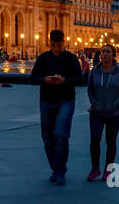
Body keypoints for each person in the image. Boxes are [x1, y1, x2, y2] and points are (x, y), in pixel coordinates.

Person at [30, 29, 83, 185]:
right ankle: (55, 168)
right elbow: (32, 79)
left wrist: (64, 80)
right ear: (50, 43)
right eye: (54, 45)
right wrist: (45, 79)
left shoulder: (71, 58)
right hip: (46, 100)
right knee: (47, 137)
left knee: (60, 135)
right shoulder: (43, 58)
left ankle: (60, 171)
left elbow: (79, 79)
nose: (57, 48)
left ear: (63, 42)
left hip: (66, 100)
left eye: (59, 45)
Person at [87, 43, 119, 182]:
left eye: (107, 52)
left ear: (113, 55)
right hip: (97, 112)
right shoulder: (95, 71)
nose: (104, 54)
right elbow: (90, 89)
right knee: (95, 140)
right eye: (102, 52)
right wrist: (93, 102)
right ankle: (95, 168)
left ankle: (108, 170)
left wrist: (116, 104)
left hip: (115, 114)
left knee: (111, 142)